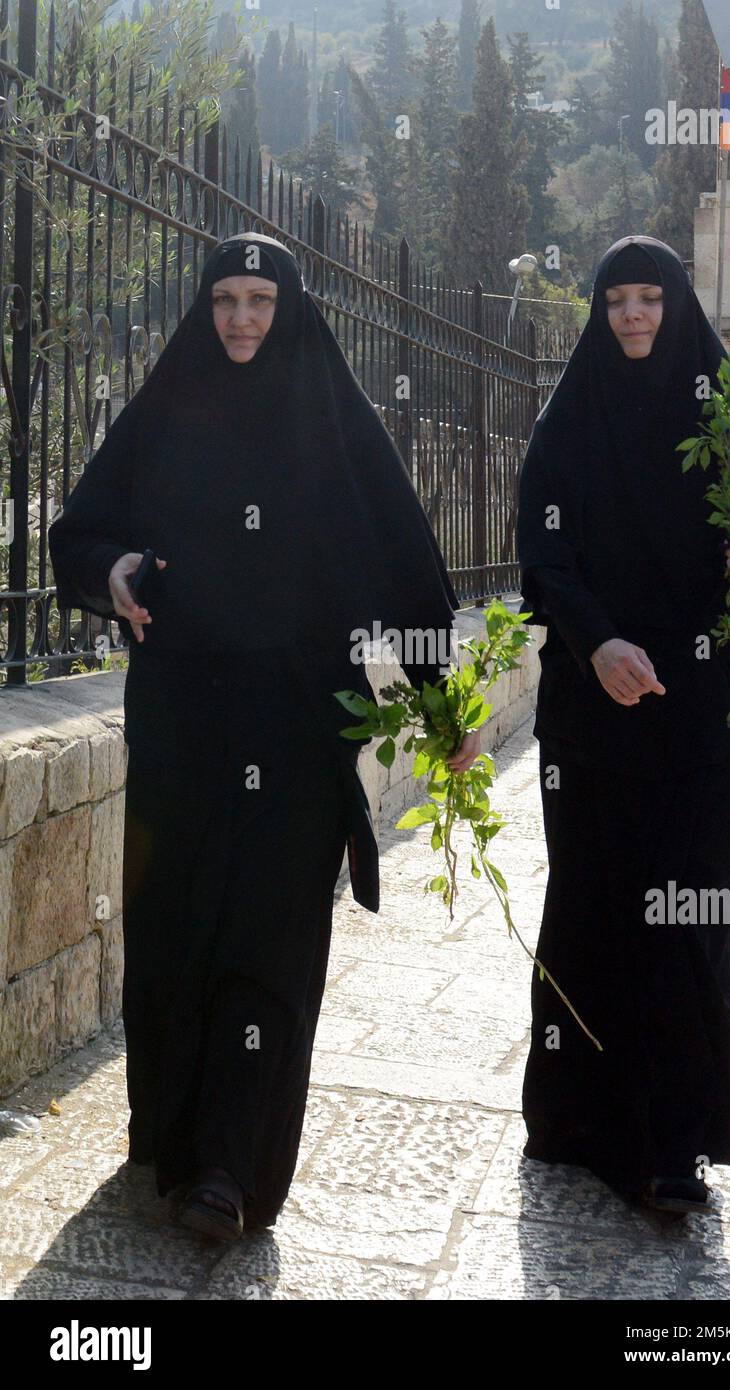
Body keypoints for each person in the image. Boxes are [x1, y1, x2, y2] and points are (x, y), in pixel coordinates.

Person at [48, 232, 470, 1240]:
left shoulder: (332, 424)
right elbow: (80, 533)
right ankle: (176, 1140)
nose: (240, 318)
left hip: (294, 732)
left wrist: (444, 707)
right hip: (183, 727)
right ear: (204, 309)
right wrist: (111, 577)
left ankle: (230, 1169)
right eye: (225, 299)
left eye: (259, 301)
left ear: (288, 312)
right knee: (179, 930)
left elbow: (406, 570)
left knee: (267, 940)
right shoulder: (166, 411)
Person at [516, 234, 730, 1216]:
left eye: (649, 298)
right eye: (616, 302)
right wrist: (596, 645)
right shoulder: (569, 422)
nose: (633, 317)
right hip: (597, 719)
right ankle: (586, 1122)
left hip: (701, 715)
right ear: (597, 315)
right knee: (599, 905)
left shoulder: (721, 420)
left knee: (688, 913)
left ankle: (673, 1144)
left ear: (673, 308)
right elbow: (544, 560)